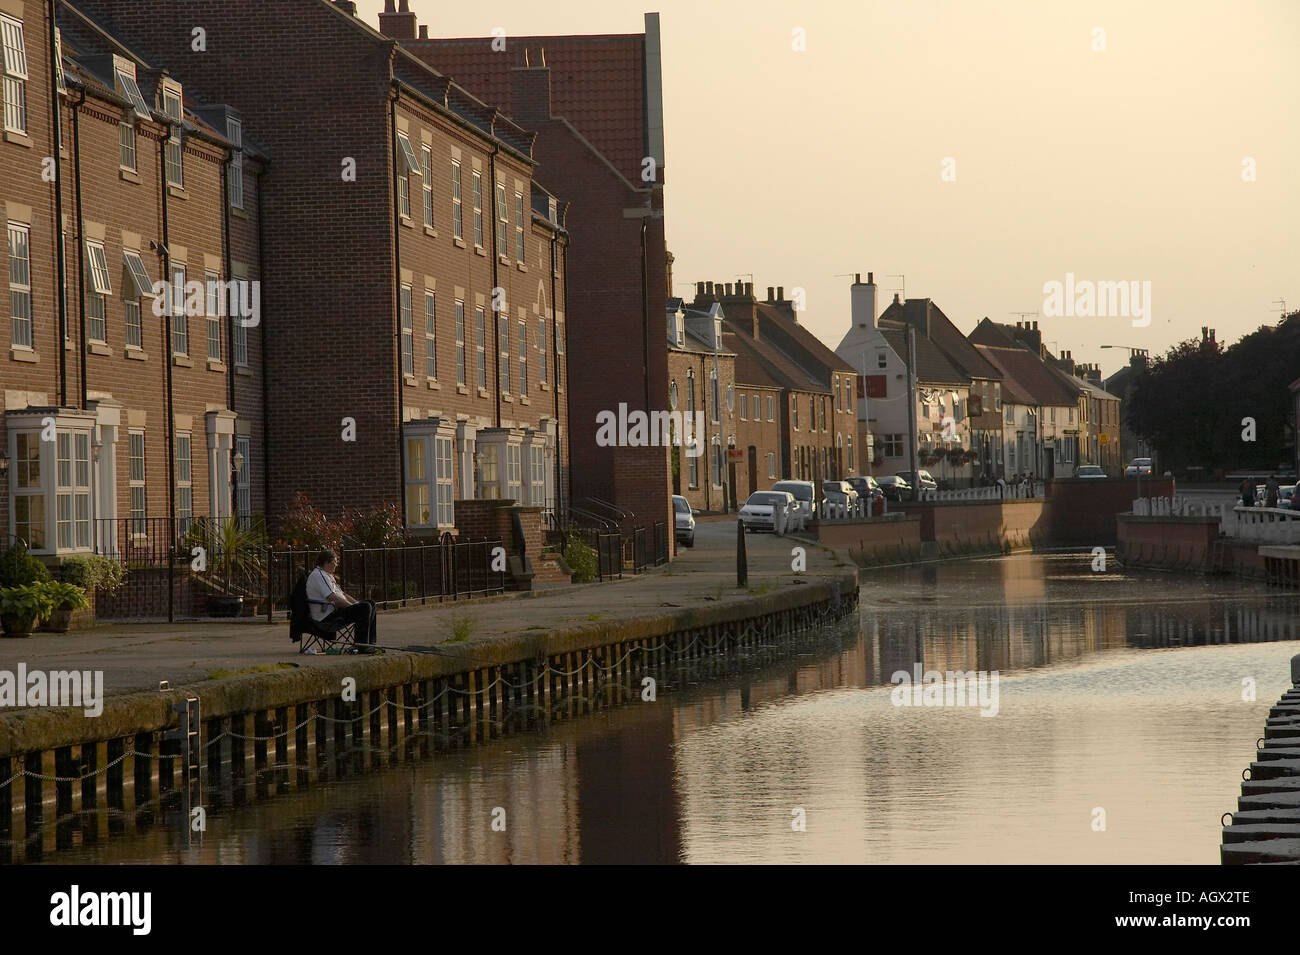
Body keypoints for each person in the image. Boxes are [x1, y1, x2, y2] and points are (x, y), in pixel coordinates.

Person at [306, 549, 378, 651]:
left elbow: (342, 594)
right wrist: (354, 607)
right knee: (365, 608)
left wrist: (356, 603)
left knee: (371, 603)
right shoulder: (319, 575)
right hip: (327, 616)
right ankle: (361, 646)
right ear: (326, 562)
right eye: (334, 563)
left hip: (335, 611)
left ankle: (370, 643)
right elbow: (333, 598)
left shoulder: (327, 575)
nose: (336, 565)